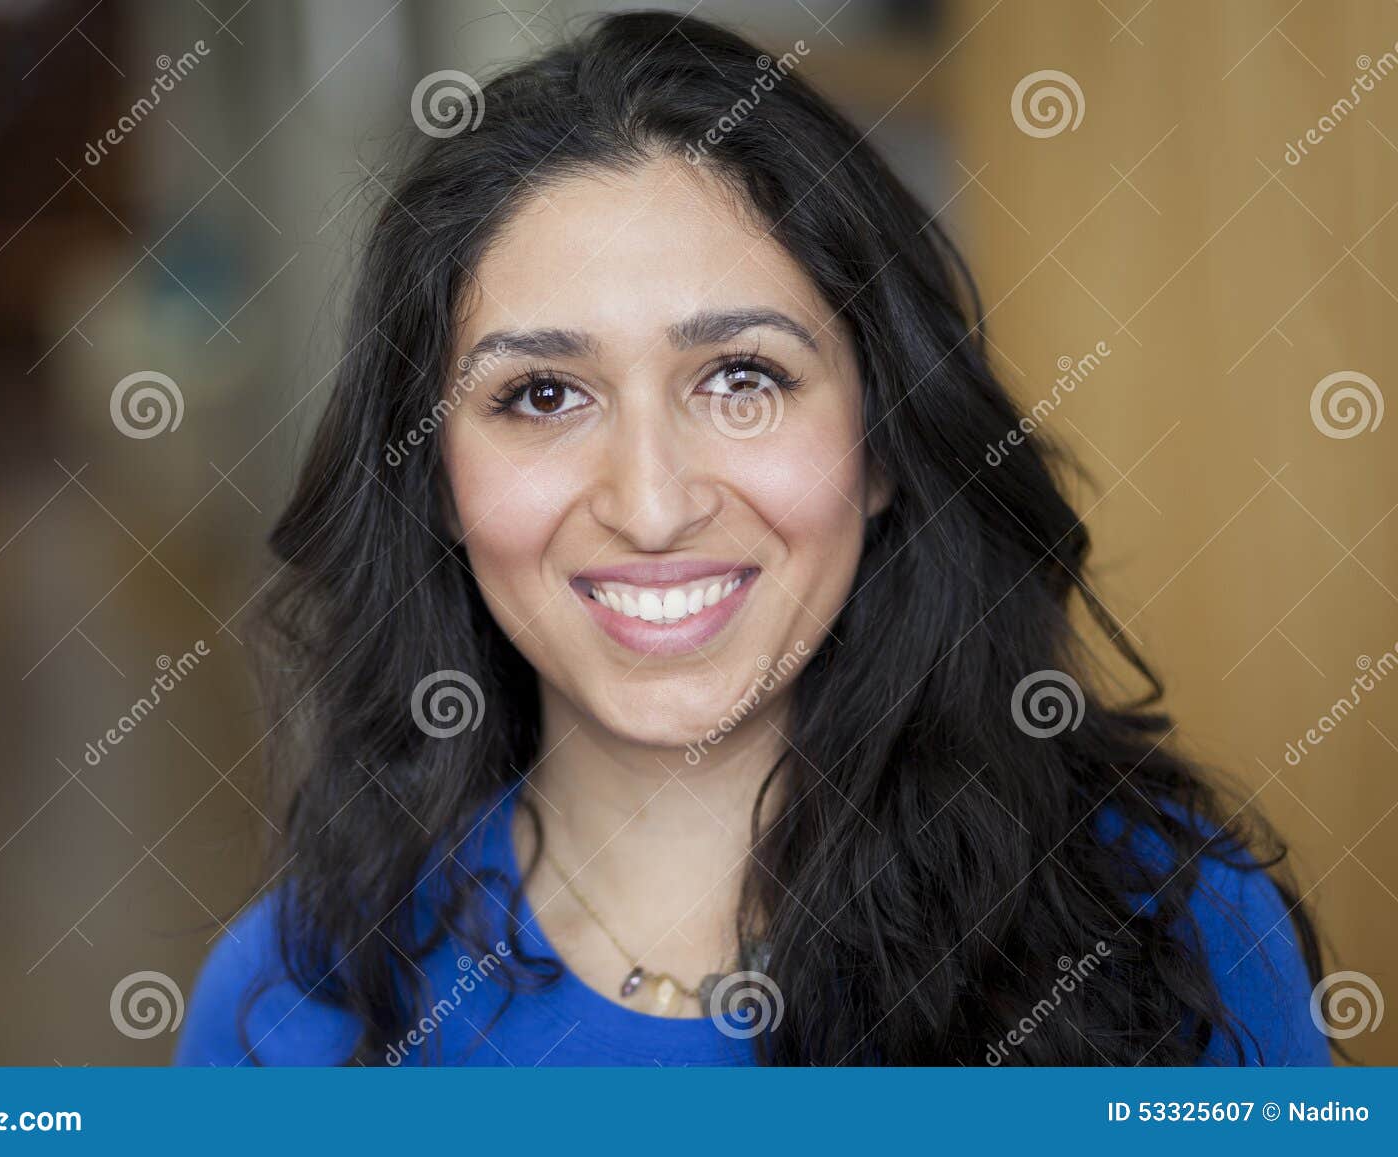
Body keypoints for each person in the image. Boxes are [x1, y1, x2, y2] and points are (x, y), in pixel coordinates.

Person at [175, 10, 1330, 1067]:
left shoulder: (1162, 923)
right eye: (540, 394)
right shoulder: (289, 1005)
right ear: (432, 475)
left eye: (741, 376)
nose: (651, 502)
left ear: (884, 441)